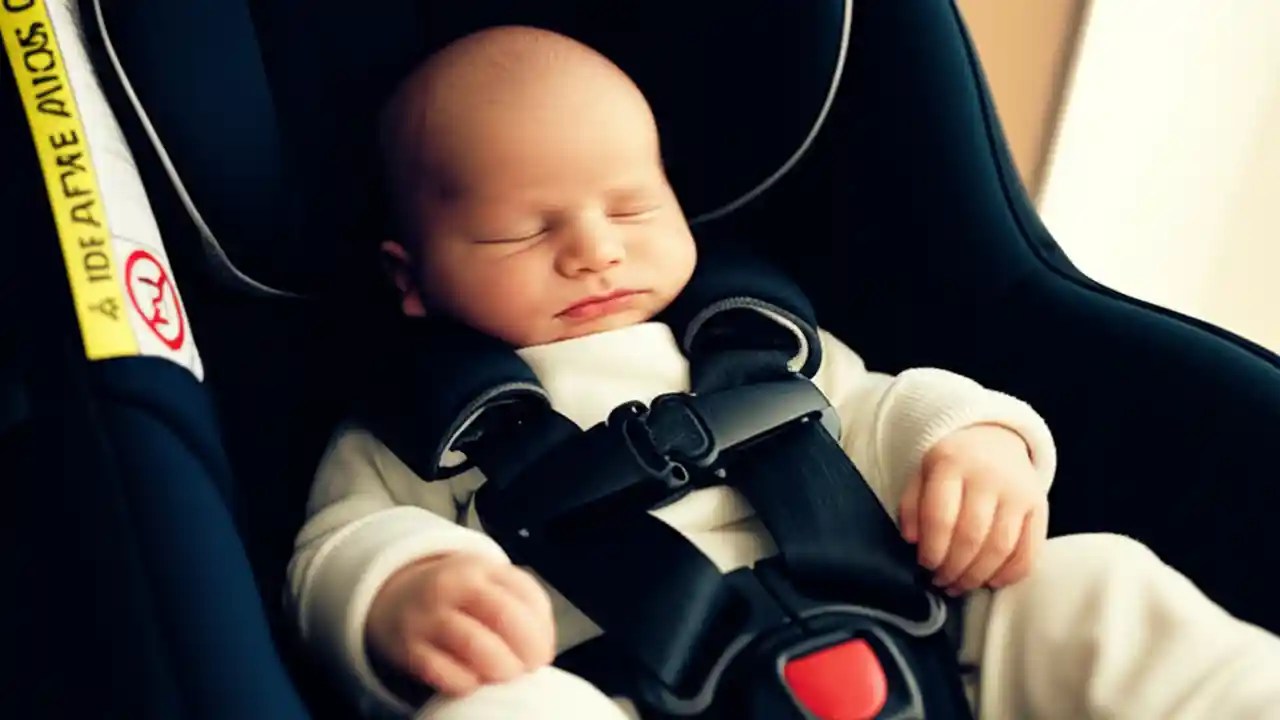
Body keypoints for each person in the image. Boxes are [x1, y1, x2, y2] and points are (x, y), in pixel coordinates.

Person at [286, 25, 1280, 720]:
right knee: (502, 711)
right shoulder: (424, 427)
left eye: (631, 209)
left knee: (1085, 582)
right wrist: (399, 593)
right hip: (614, 685)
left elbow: (883, 408)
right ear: (406, 278)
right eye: (523, 229)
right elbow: (338, 544)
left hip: (920, 640)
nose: (593, 251)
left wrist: (976, 449)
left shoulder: (751, 347)